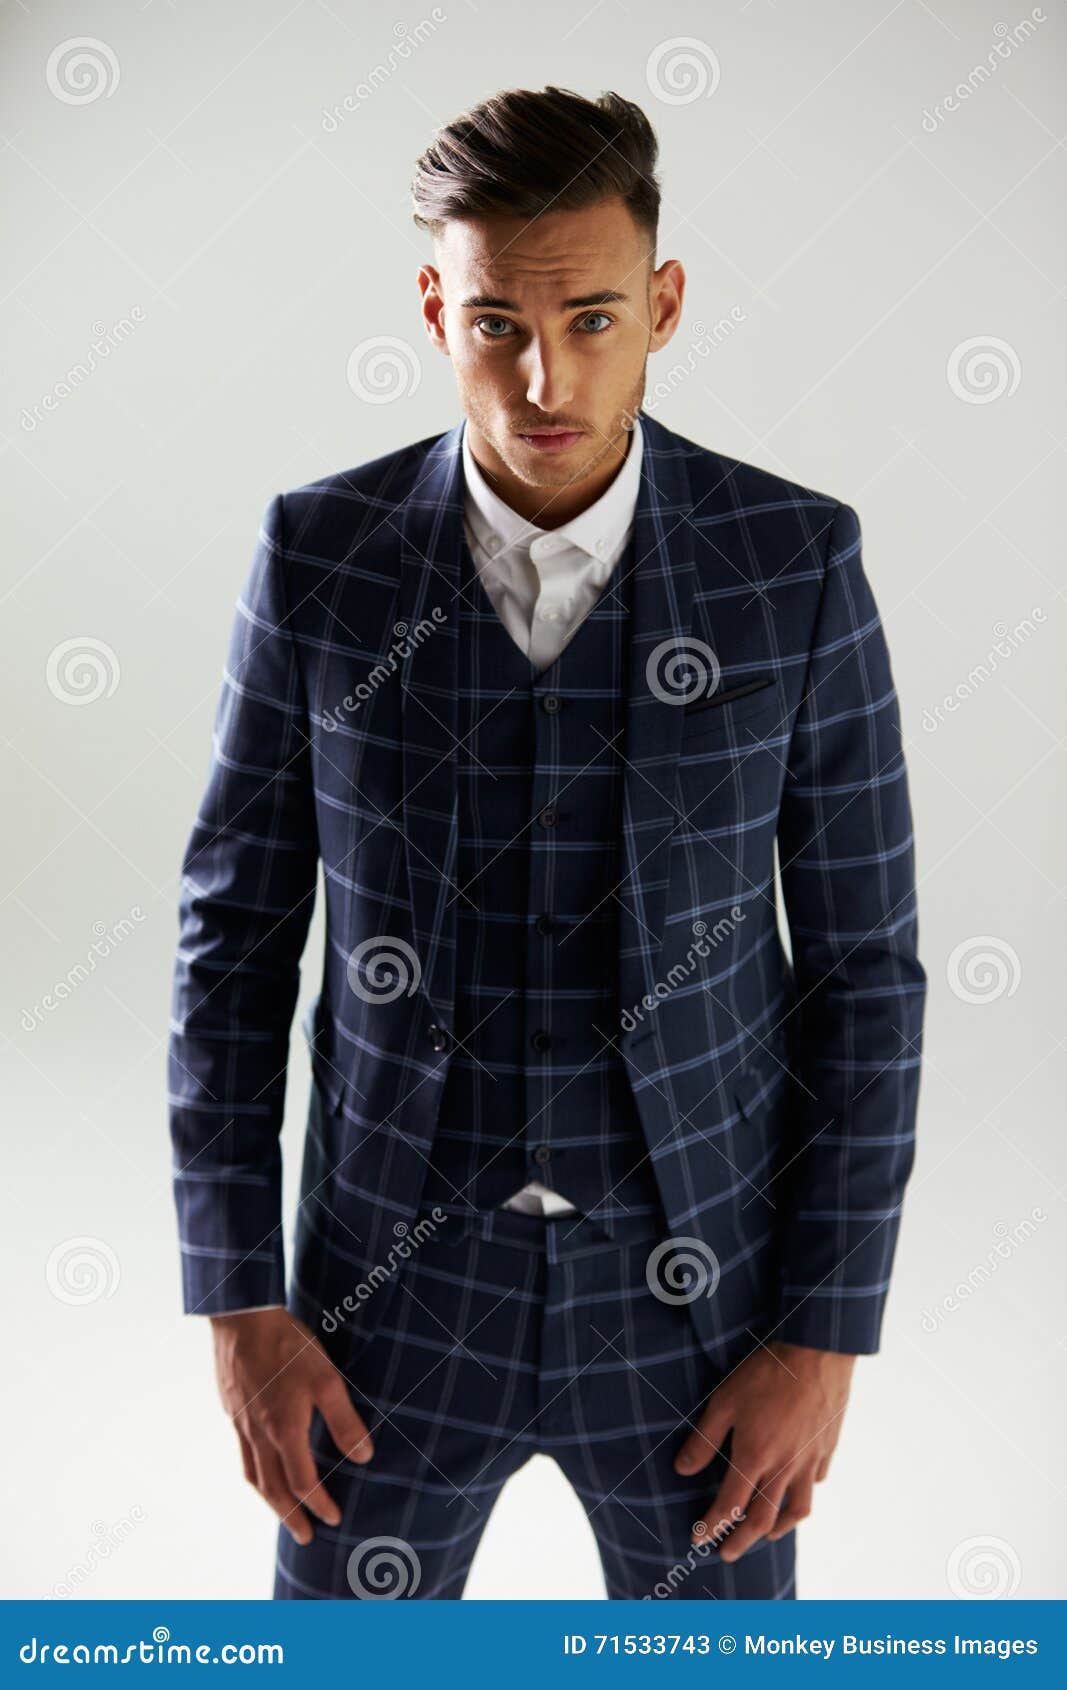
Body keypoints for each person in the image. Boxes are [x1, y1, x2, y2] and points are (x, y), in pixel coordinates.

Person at [168, 85, 926, 1601]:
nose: (545, 375)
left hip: (703, 1316)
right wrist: (239, 1304)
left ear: (663, 305)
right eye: (498, 325)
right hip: (383, 1309)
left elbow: (865, 975)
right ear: (437, 307)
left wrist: (823, 1338)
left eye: (591, 318)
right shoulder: (319, 557)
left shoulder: (793, 564)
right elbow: (234, 942)